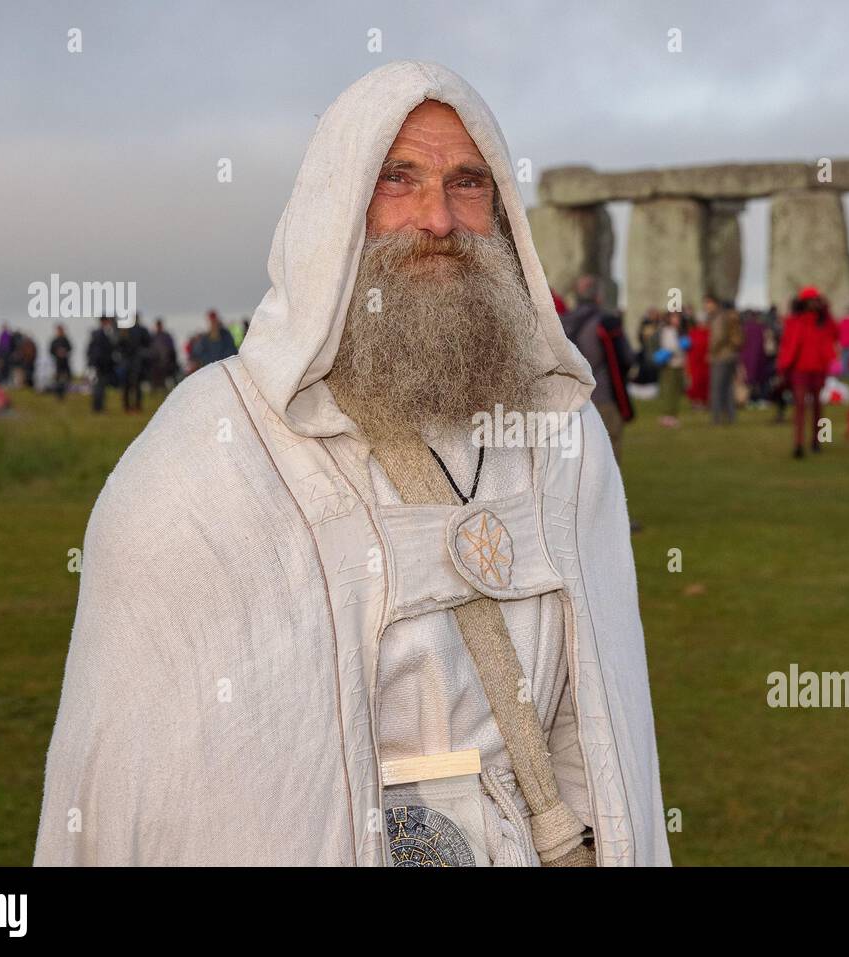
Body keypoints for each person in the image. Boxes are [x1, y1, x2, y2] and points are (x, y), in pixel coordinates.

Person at [35, 61, 670, 868]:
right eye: (396, 178)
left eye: (468, 183)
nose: (436, 217)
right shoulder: (211, 455)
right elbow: (153, 785)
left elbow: (601, 732)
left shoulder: (562, 440)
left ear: (505, 216)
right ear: (336, 205)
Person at [560, 274, 634, 463]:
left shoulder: (562, 323)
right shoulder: (606, 323)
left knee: (578, 457)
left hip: (570, 399)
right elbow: (626, 357)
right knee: (608, 452)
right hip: (602, 394)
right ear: (599, 297)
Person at [777, 287, 837, 458]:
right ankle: (798, 443)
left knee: (818, 406)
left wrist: (826, 308)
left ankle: (818, 440)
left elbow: (835, 333)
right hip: (800, 370)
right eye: (811, 300)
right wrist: (784, 366)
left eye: (816, 300)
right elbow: (788, 345)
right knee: (800, 406)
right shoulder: (795, 321)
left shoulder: (823, 321)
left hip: (818, 369)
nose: (813, 304)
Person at [705, 296, 743, 424]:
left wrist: (711, 352)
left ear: (715, 304)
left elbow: (718, 337)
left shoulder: (719, 317)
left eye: (708, 303)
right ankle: (731, 416)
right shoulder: (729, 316)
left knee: (716, 388)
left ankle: (716, 418)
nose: (706, 306)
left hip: (721, 356)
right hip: (731, 355)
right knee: (728, 388)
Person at [657, 311, 687, 427]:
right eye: (674, 318)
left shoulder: (678, 331)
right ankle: (667, 415)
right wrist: (681, 346)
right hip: (670, 365)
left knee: (676, 391)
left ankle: (673, 414)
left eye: (678, 318)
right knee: (669, 391)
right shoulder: (667, 331)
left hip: (678, 364)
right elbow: (670, 347)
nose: (677, 320)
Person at [86, 316, 117, 413]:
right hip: (101, 365)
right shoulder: (101, 334)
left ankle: (98, 407)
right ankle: (98, 407)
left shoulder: (97, 333)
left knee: (99, 386)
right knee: (99, 386)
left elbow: (90, 350)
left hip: (99, 364)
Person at [149, 318, 178, 392]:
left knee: (166, 378)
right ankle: (155, 390)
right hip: (155, 362)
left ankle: (165, 390)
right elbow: (150, 349)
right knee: (155, 377)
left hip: (166, 362)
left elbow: (172, 349)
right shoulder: (153, 337)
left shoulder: (166, 336)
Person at [50, 325, 73, 400]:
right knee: (58, 378)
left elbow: (70, 348)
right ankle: (58, 393)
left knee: (68, 377)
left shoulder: (66, 340)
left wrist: (64, 352)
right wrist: (57, 353)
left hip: (65, 362)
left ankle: (66, 391)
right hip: (58, 362)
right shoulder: (55, 340)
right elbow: (51, 350)